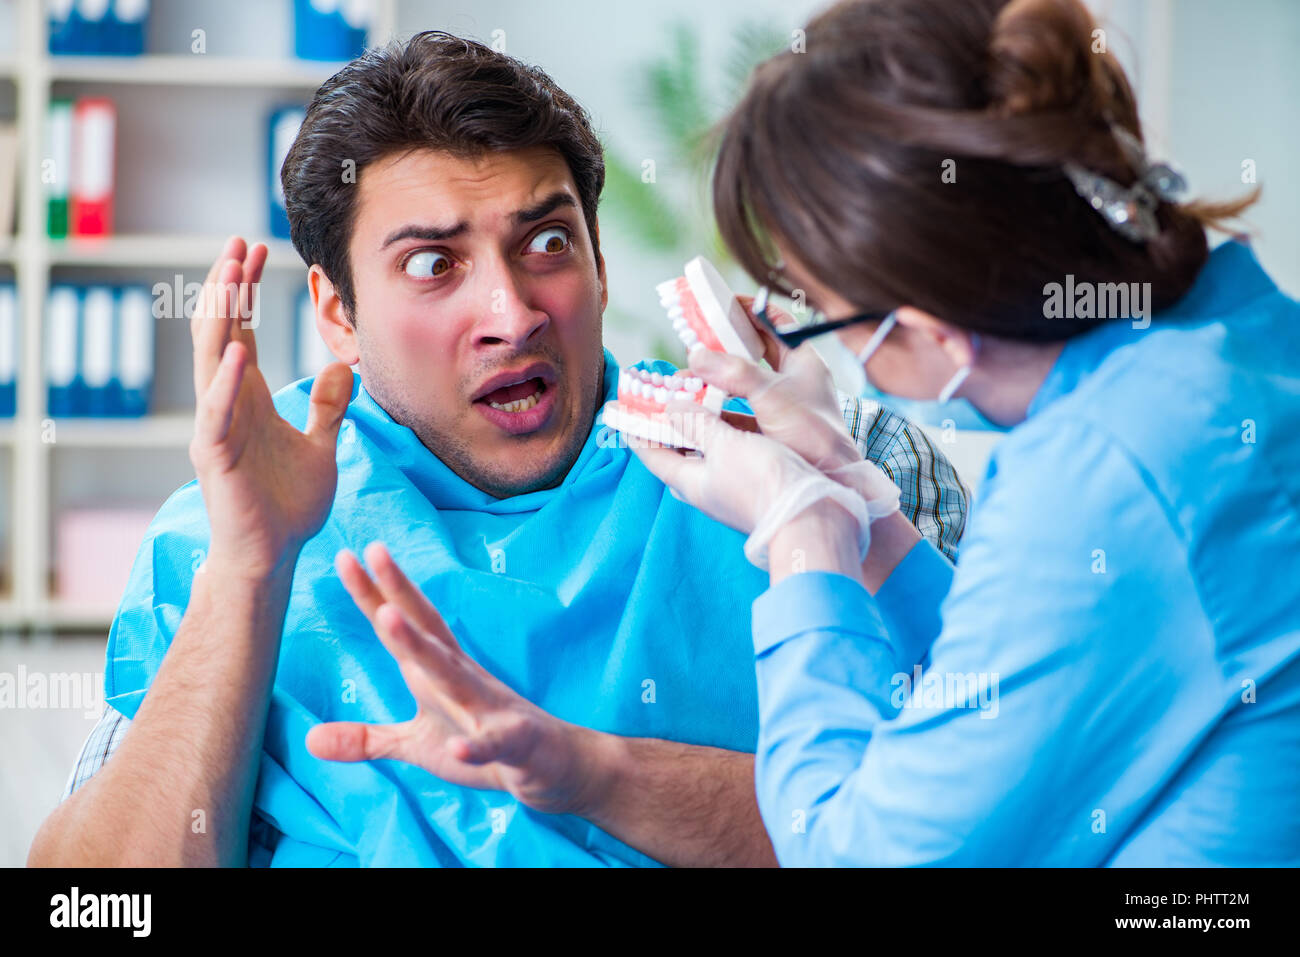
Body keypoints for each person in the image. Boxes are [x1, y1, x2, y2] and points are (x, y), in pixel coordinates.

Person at [28, 32, 966, 867]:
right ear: (337, 315)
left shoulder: (832, 466)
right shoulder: (234, 520)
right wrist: (248, 569)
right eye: (433, 265)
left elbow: (980, 823)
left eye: (547, 241)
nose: (513, 314)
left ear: (598, 258)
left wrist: (597, 773)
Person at [630, 0, 1300, 865]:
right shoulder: (1235, 336)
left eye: (824, 316)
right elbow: (1017, 684)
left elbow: (856, 854)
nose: (826, 346)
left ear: (933, 333)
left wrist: (801, 539)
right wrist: (847, 487)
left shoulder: (1106, 469)